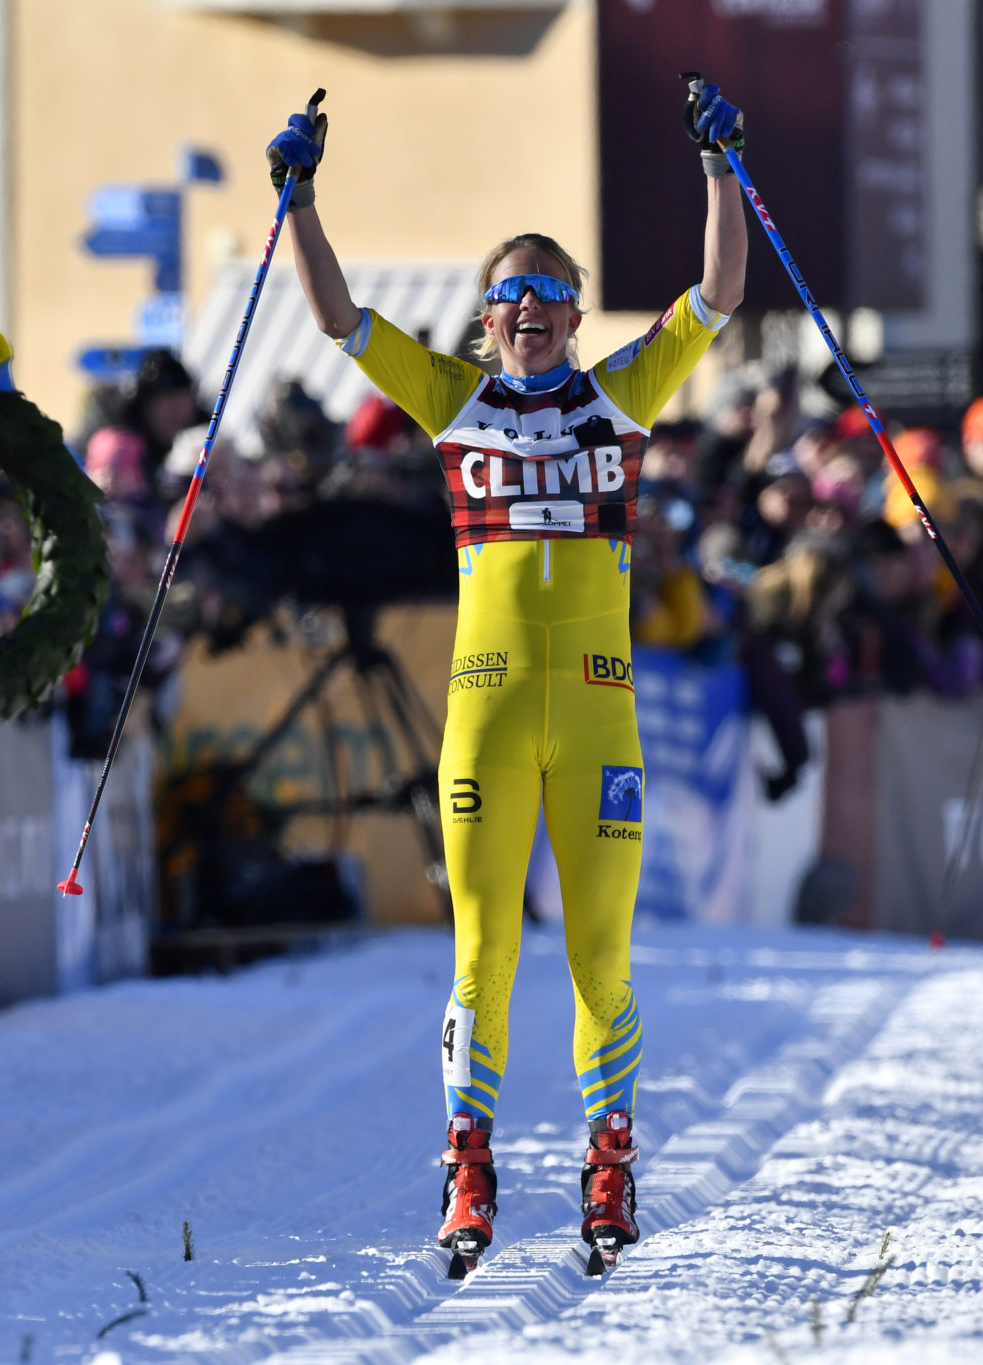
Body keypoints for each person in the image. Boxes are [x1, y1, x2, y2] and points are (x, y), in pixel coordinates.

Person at [272, 80, 747, 1272]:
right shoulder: (451, 397)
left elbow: (719, 297)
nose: (527, 308)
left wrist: (717, 171)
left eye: (547, 292)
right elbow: (336, 319)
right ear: (483, 320)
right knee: (482, 949)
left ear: (577, 314)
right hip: (483, 715)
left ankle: (607, 1162)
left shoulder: (616, 394)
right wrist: (299, 201)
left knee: (600, 952)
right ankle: (468, 1166)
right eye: (508, 293)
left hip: (597, 716)